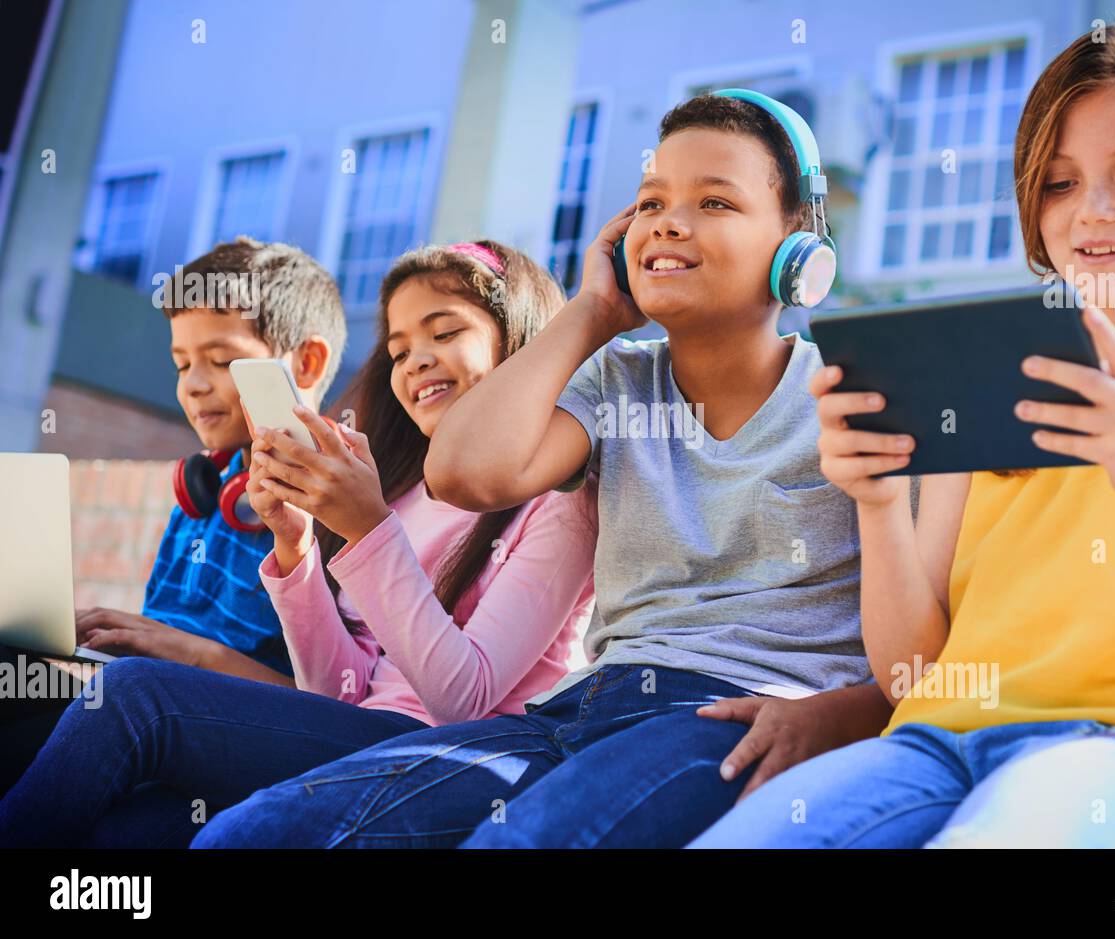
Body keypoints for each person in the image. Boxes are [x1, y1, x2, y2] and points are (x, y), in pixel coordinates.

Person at [190, 91, 889, 850]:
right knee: (253, 832)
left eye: (715, 201)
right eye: (650, 202)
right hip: (577, 711)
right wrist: (591, 311)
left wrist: (845, 713)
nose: (668, 221)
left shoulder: (857, 390)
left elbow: (935, 634)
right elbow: (461, 473)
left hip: (729, 712)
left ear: (798, 248)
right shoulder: (614, 380)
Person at [691, 17, 1115, 849]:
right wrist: (873, 502)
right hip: (936, 748)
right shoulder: (978, 379)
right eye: (1057, 183)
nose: (1092, 210)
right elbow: (912, 678)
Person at [0, 241, 596, 848]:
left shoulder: (563, 499)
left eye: (443, 333)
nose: (416, 361)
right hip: (349, 730)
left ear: (523, 344)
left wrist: (369, 530)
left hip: (443, 754)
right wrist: (296, 547)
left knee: (130, 697)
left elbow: (461, 699)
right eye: (398, 350)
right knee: (128, 831)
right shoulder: (408, 492)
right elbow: (337, 688)